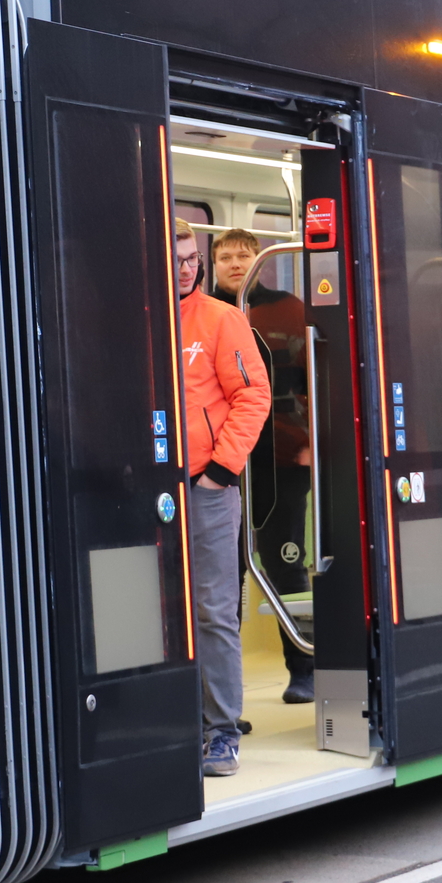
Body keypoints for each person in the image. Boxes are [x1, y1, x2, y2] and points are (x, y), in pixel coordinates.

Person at [176, 218, 272, 776]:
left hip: (206, 488)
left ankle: (221, 731)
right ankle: (176, 721)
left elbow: (252, 394)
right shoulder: (134, 320)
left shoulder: (221, 318)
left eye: (194, 260)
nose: (189, 269)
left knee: (212, 610)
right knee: (163, 614)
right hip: (149, 492)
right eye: (178, 260)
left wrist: (220, 469)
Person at [209, 227, 314, 703]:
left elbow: (312, 383)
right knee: (222, 579)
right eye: (225, 255)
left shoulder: (290, 310)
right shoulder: (198, 314)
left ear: (259, 260)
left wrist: (311, 444)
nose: (234, 263)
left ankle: (305, 667)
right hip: (219, 467)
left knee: (285, 566)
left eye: (243, 255)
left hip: (281, 459)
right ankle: (225, 692)